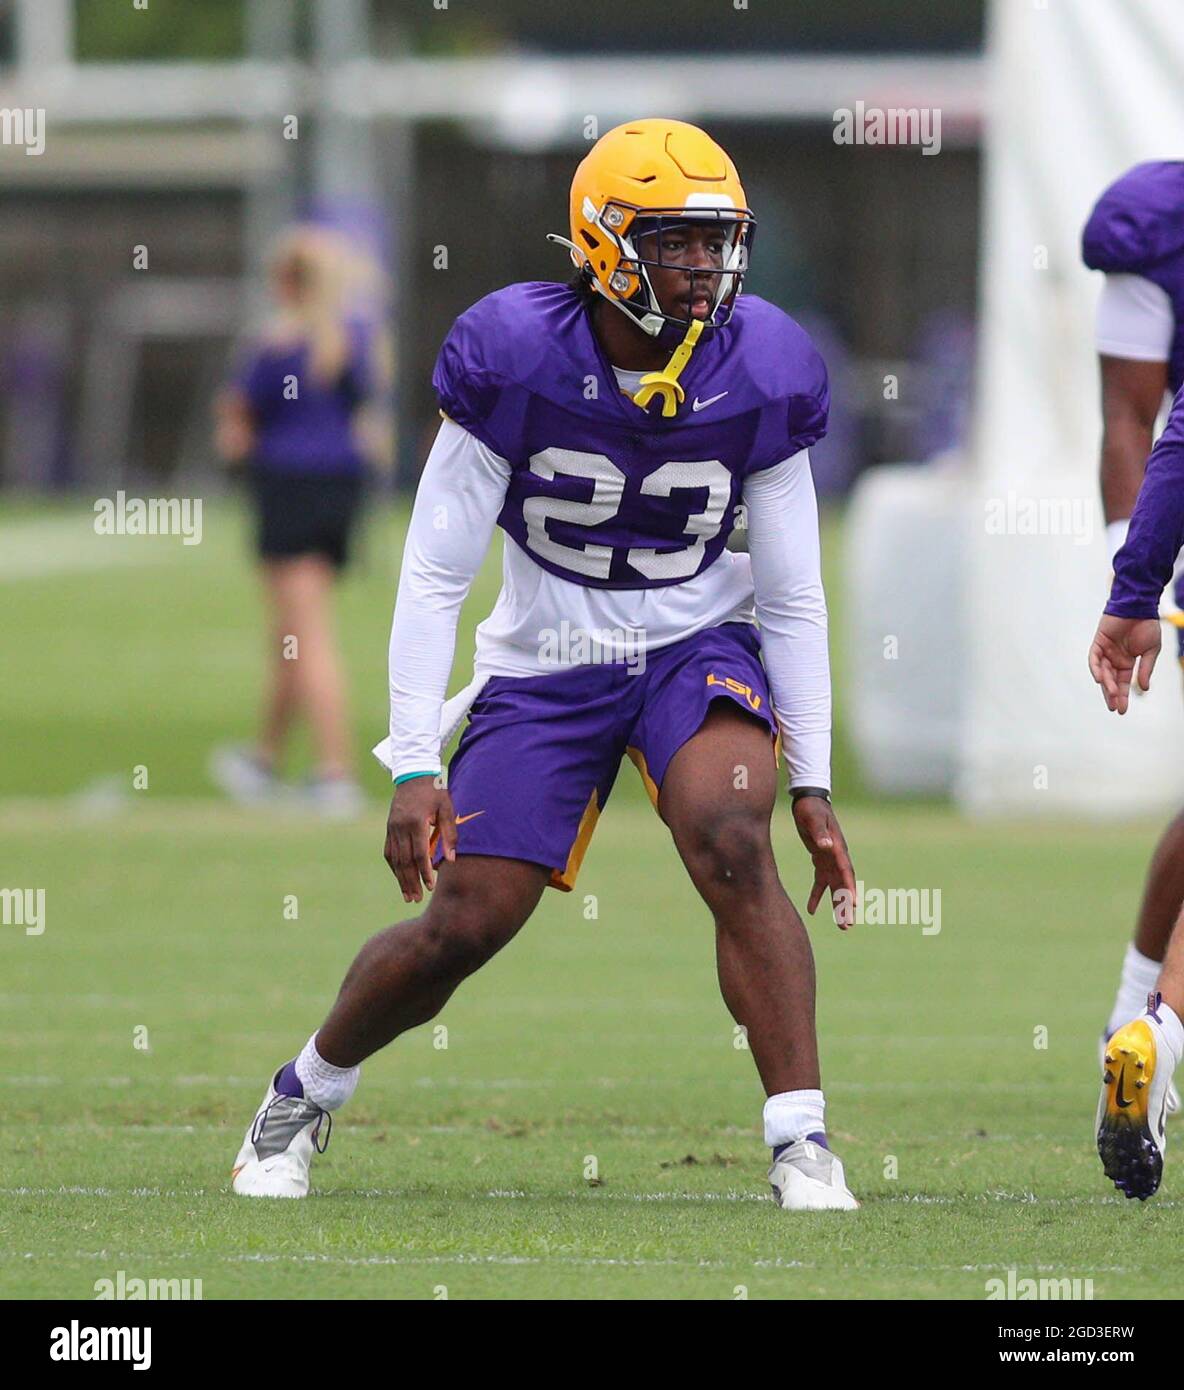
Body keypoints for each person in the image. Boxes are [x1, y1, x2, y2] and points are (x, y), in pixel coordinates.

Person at [230, 120, 860, 1211]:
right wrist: (412, 759)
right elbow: (433, 574)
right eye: (677, 243)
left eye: (716, 243)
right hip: (548, 656)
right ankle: (302, 1090)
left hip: (693, 644)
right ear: (605, 244)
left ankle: (799, 1139)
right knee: (465, 917)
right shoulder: (515, 355)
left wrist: (810, 778)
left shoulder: (760, 363)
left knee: (729, 829)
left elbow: (794, 592)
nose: (706, 268)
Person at [211, 225, 389, 817]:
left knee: (305, 634)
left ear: (286, 281)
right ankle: (263, 759)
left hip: (288, 489)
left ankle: (334, 771)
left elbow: (236, 430)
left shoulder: (273, 344)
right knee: (288, 634)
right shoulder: (355, 338)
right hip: (340, 491)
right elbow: (366, 419)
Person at [1082, 161, 1184, 1111]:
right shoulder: (1159, 222)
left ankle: (1145, 1031)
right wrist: (1136, 576)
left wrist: (1135, 585)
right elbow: (1134, 413)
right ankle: (1151, 1030)